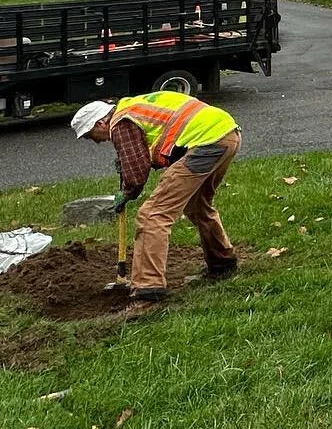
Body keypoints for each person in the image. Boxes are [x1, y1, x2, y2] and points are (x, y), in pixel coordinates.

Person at [72, 91, 242, 308]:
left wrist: (127, 192)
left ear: (100, 123)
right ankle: (222, 262)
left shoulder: (121, 123)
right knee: (197, 205)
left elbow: (137, 174)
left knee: (152, 215)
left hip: (206, 143)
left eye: (90, 136)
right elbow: (158, 144)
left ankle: (147, 290)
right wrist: (128, 160)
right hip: (226, 135)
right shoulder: (132, 107)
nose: (95, 142)